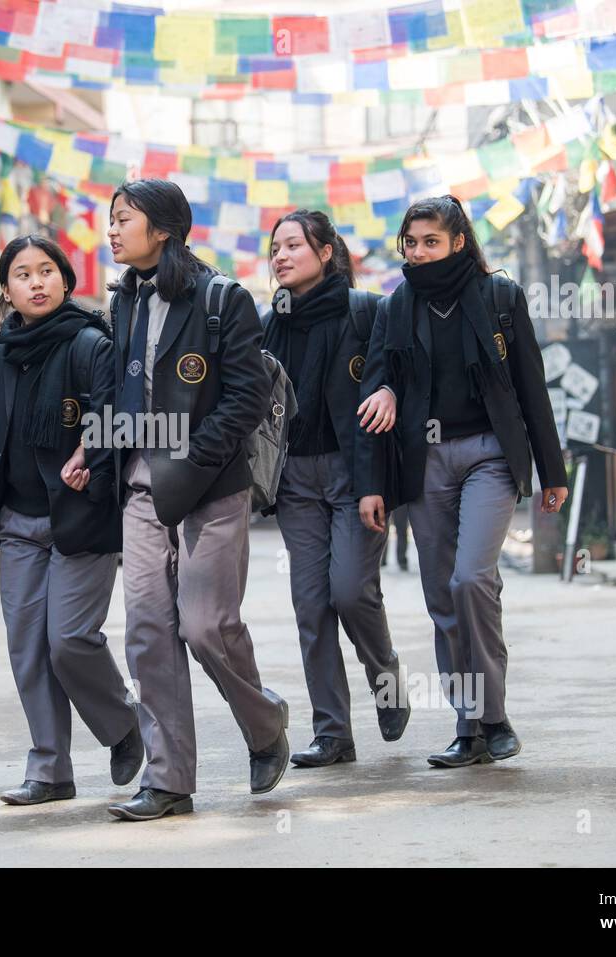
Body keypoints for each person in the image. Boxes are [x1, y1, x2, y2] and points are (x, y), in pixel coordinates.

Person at [356, 195, 569, 769]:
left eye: (433, 242)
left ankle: (495, 717)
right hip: (423, 461)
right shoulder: (395, 307)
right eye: (413, 243)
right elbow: (377, 383)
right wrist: (382, 399)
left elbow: (530, 384)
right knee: (443, 597)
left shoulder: (499, 297)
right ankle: (468, 726)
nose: (421, 253)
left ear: (458, 243)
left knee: (473, 579)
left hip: (490, 456)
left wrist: (553, 471)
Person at [104, 179, 288, 822]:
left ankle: (265, 726)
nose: (113, 228)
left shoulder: (223, 299)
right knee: (150, 633)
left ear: (163, 228)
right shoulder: (121, 300)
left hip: (212, 484)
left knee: (207, 626)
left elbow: (246, 396)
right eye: (112, 218)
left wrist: (194, 462)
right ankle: (169, 780)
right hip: (140, 486)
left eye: (124, 218)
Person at [0, 234, 143, 807]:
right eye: (22, 274)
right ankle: (49, 768)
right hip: (17, 522)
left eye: (46, 271)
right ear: (8, 289)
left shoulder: (91, 343)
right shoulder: (2, 355)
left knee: (68, 640)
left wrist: (89, 451)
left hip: (80, 517)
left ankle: (123, 725)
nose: (35, 282)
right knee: (28, 647)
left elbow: (115, 413)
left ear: (65, 279)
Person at [263, 209, 409, 770]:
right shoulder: (268, 321)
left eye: (293, 245)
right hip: (295, 479)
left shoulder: (366, 312)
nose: (280, 255)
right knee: (312, 605)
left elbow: (388, 389)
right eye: (275, 247)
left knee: (351, 592)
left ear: (326, 253)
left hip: (355, 478)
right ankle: (333, 732)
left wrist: (375, 484)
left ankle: (387, 676)